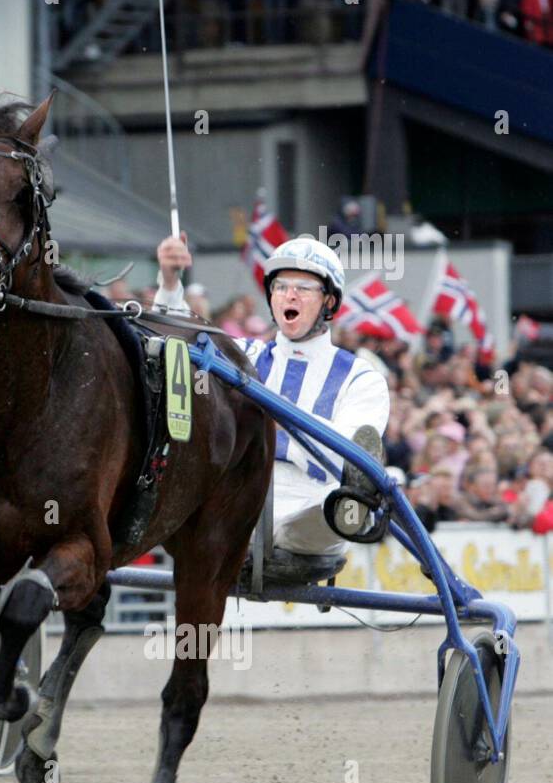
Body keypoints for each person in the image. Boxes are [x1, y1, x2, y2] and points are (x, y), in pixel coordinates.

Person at [155, 234, 390, 558]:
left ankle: (347, 513)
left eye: (303, 288)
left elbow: (348, 452)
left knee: (322, 515)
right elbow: (177, 345)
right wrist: (170, 281)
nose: (289, 295)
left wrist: (278, 425)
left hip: (313, 500)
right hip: (239, 495)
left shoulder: (362, 377)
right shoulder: (244, 353)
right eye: (281, 287)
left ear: (329, 302)